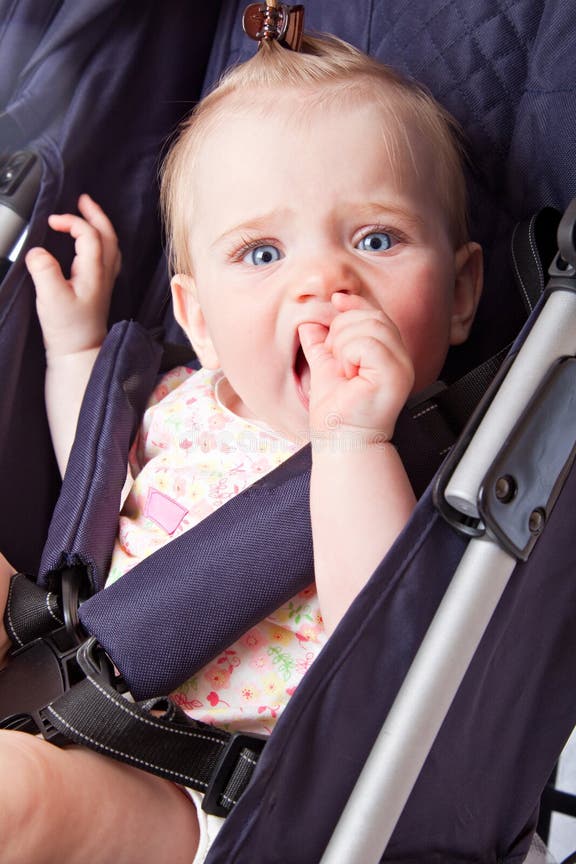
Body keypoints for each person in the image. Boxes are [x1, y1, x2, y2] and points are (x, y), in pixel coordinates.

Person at [0, 30, 482, 864]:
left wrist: (351, 438)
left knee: (19, 802)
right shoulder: (178, 400)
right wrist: (78, 347)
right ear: (198, 320)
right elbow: (92, 466)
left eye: (375, 239)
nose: (323, 281)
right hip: (61, 650)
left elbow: (386, 638)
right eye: (263, 253)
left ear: (461, 293)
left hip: (200, 785)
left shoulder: (417, 466)